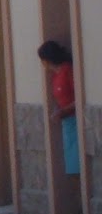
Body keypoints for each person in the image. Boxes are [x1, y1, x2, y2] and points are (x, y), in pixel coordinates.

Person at [38, 40, 79, 180]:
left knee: (76, 160)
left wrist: (63, 111)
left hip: (74, 119)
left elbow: (78, 97)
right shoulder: (55, 76)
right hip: (66, 121)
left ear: (47, 60)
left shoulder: (67, 70)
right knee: (70, 161)